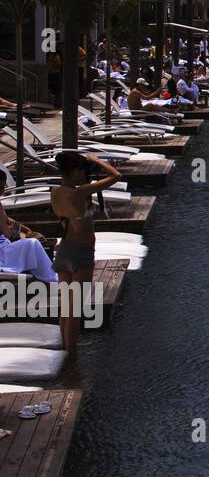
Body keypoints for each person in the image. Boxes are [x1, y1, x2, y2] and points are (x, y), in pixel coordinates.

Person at [50, 151, 122, 352]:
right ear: (74, 172)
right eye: (82, 171)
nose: (84, 175)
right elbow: (117, 176)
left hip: (64, 250)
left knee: (66, 306)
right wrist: (97, 160)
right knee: (75, 310)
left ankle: (65, 350)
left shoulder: (55, 192)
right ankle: (71, 359)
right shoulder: (79, 192)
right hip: (81, 253)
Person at [0, 185, 55, 283]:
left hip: (4, 246)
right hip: (2, 253)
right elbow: (7, 233)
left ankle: (47, 277)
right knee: (32, 244)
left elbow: (7, 219)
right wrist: (18, 233)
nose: (2, 190)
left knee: (30, 244)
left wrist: (25, 230)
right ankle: (50, 278)